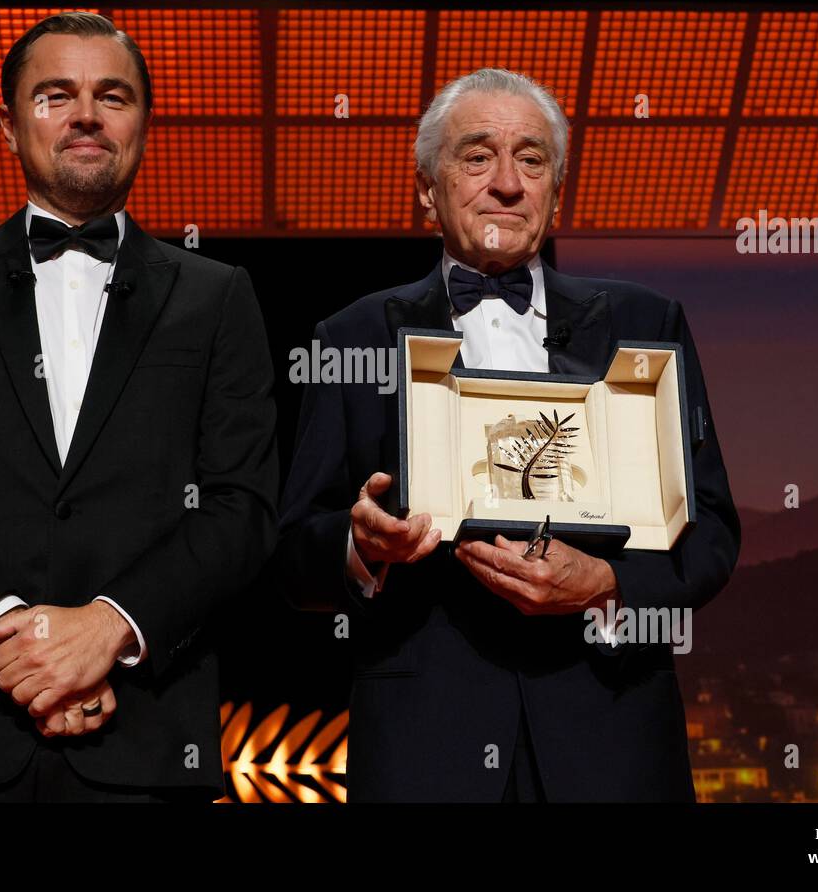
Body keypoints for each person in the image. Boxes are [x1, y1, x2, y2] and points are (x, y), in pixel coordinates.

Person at [0, 11, 278, 801]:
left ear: (143, 121)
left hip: (145, 740)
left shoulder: (218, 296)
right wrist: (16, 637)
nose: (85, 115)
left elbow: (242, 509)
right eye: (55, 95)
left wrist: (109, 628)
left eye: (113, 95)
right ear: (8, 125)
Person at [274, 68, 741, 802]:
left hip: (614, 741)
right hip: (425, 752)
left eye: (532, 159)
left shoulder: (646, 324)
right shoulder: (351, 335)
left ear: (558, 190)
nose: (507, 183)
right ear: (427, 188)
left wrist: (609, 586)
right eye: (476, 156)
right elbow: (294, 553)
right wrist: (361, 544)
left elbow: (710, 531)